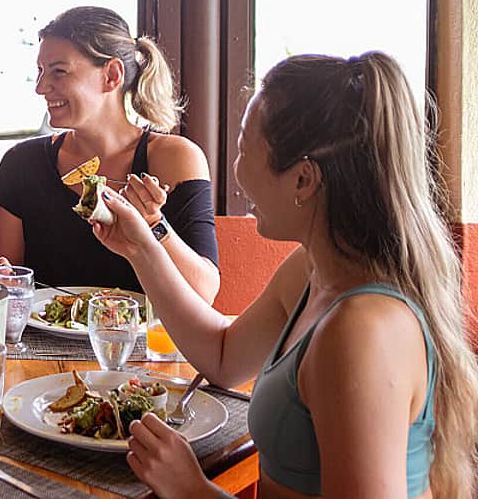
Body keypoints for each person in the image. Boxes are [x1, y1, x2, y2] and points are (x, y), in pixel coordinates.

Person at [94, 52, 478, 498]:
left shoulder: (361, 330)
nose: (236, 175)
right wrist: (141, 247)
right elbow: (223, 357)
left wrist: (193, 490)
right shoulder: (314, 270)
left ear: (303, 180)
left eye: (242, 151)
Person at [0, 6, 219, 300]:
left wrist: (152, 223)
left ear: (111, 75)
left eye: (59, 71)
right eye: (40, 71)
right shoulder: (21, 163)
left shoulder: (174, 158)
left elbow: (205, 291)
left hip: (142, 344)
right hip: (41, 342)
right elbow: (12, 281)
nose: (41, 87)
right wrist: (4, 281)